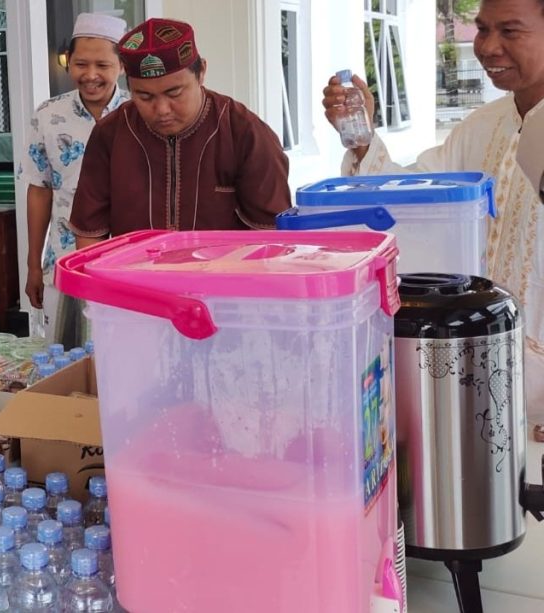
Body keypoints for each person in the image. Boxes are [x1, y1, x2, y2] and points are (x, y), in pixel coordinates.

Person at [320, 0, 544, 417]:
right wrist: (362, 138)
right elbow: (409, 200)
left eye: (510, 31)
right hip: (475, 371)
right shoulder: (481, 127)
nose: (489, 46)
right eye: (482, 29)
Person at [69, 17, 292, 250]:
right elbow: (90, 234)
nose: (162, 110)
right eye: (144, 97)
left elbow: (271, 236)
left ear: (201, 72)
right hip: (134, 281)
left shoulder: (246, 133)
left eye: (174, 92)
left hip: (224, 281)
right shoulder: (110, 134)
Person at [18, 12, 129, 345]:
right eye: (81, 64)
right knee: (66, 357)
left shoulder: (139, 113)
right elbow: (39, 190)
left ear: (121, 66)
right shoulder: (49, 116)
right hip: (64, 263)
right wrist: (33, 265)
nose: (90, 75)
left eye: (103, 65)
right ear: (68, 63)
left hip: (126, 268)